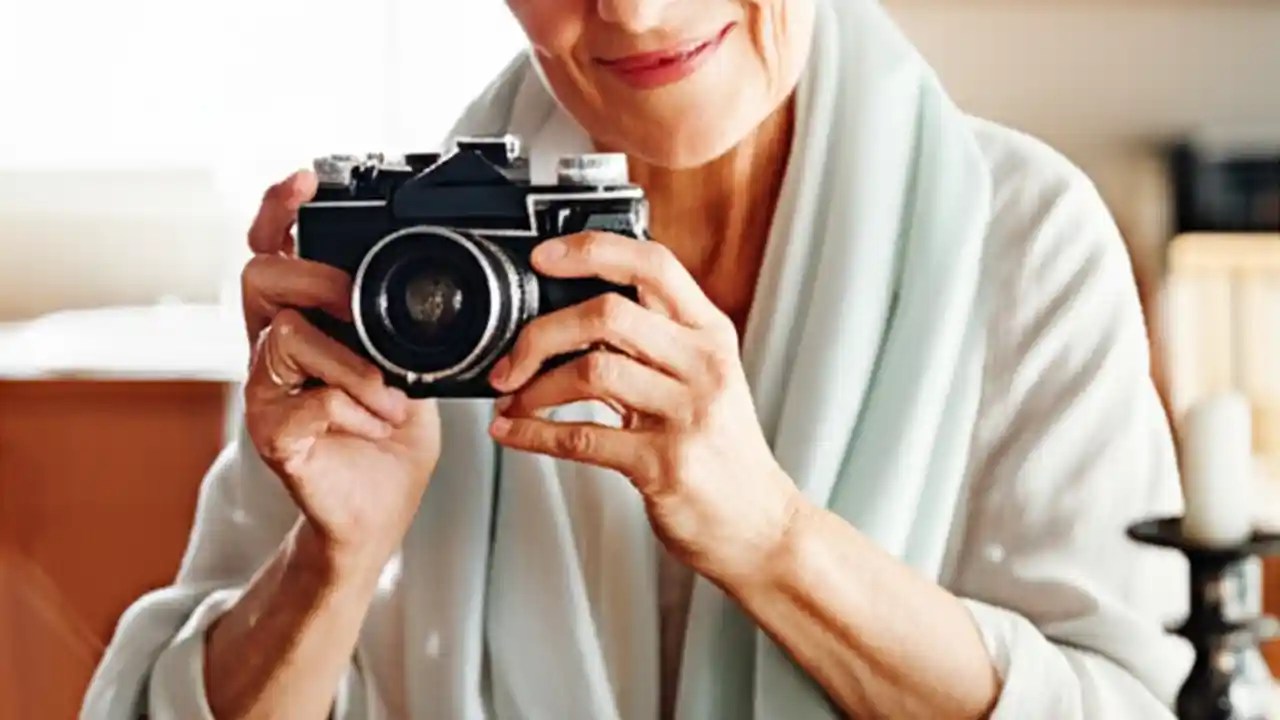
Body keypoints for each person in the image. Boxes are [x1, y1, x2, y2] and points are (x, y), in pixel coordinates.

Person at [84, 0, 1191, 717]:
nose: (635, 10)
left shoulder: (1023, 241)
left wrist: (772, 540)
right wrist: (330, 561)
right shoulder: (407, 271)